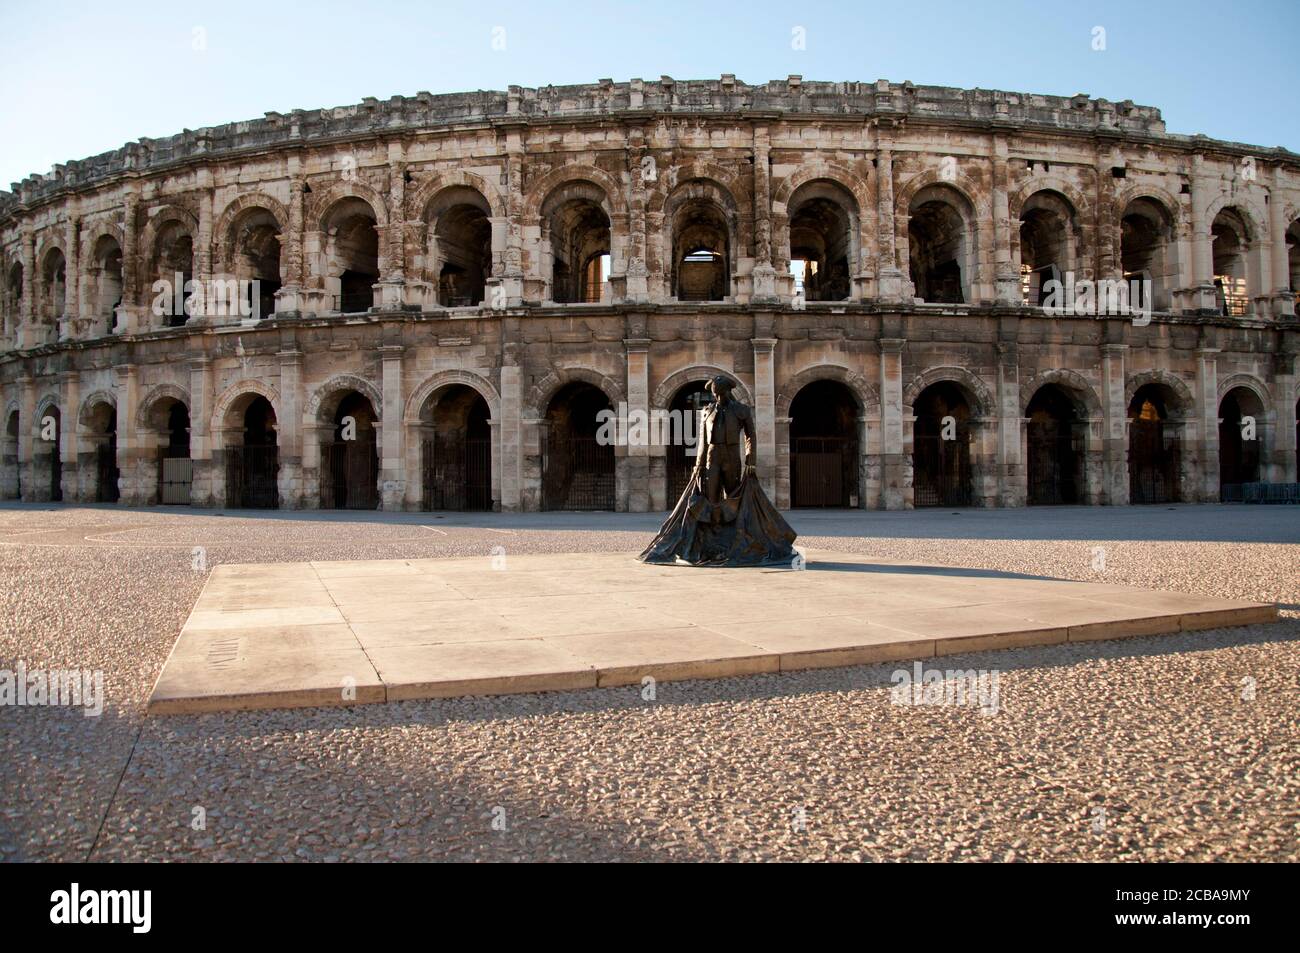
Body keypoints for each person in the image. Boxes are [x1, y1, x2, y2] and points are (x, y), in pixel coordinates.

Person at [639, 376, 798, 567]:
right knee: (710, 497)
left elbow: (750, 436)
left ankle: (734, 535)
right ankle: (710, 541)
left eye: (719, 393)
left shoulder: (741, 410)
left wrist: (751, 460)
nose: (716, 396)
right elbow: (703, 441)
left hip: (731, 457)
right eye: (714, 393)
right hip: (711, 458)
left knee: (732, 497)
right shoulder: (707, 411)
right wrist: (698, 465)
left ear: (727, 392)